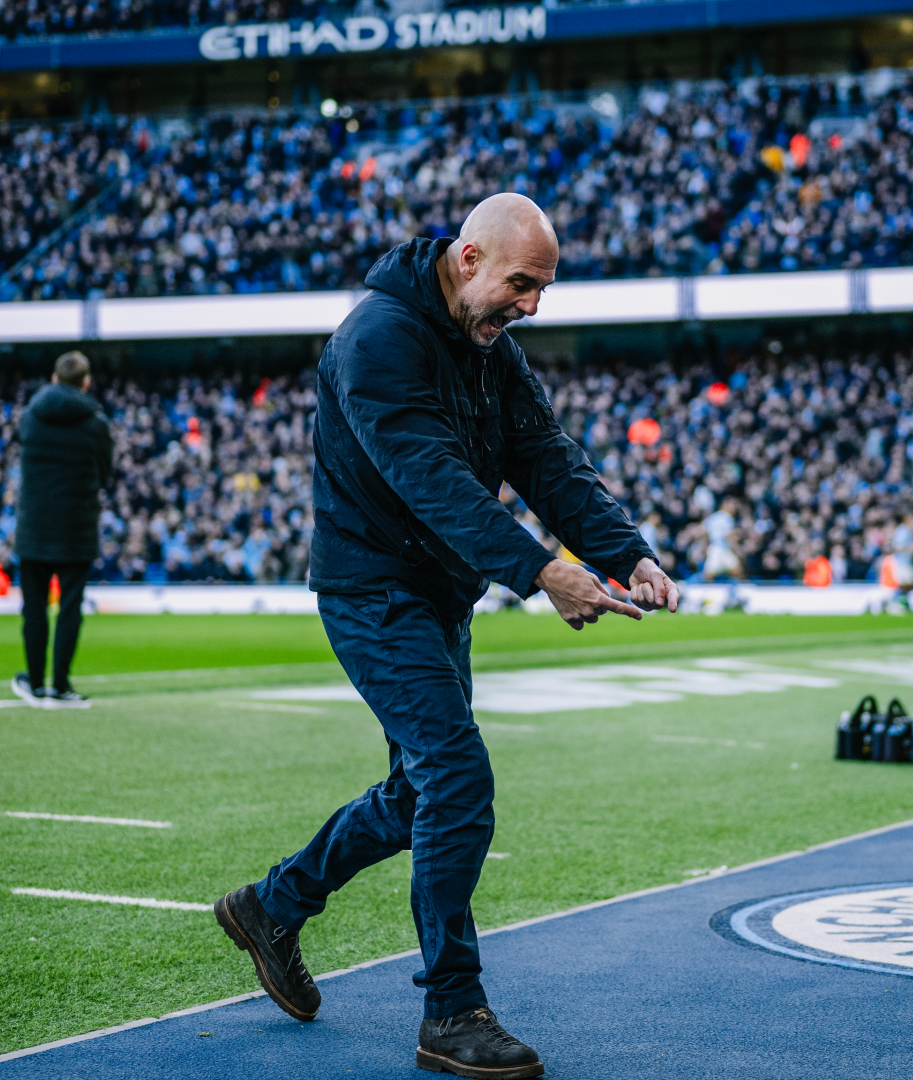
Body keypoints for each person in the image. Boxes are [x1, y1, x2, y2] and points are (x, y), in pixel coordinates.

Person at [212, 194, 676, 1080]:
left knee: (422, 791)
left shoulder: (487, 342)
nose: (531, 306)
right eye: (522, 284)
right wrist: (541, 571)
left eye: (542, 289)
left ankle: (273, 906)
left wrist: (629, 554)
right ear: (468, 259)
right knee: (455, 774)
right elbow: (430, 479)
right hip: (373, 593)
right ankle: (451, 1010)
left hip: (438, 593)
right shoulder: (376, 339)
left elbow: (545, 456)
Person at [10, 351, 113, 710]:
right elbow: (105, 473)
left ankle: (35, 683)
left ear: (54, 378)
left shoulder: (30, 418)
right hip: (76, 526)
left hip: (34, 526)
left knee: (34, 608)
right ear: (86, 383)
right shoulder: (96, 423)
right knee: (70, 608)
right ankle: (61, 685)